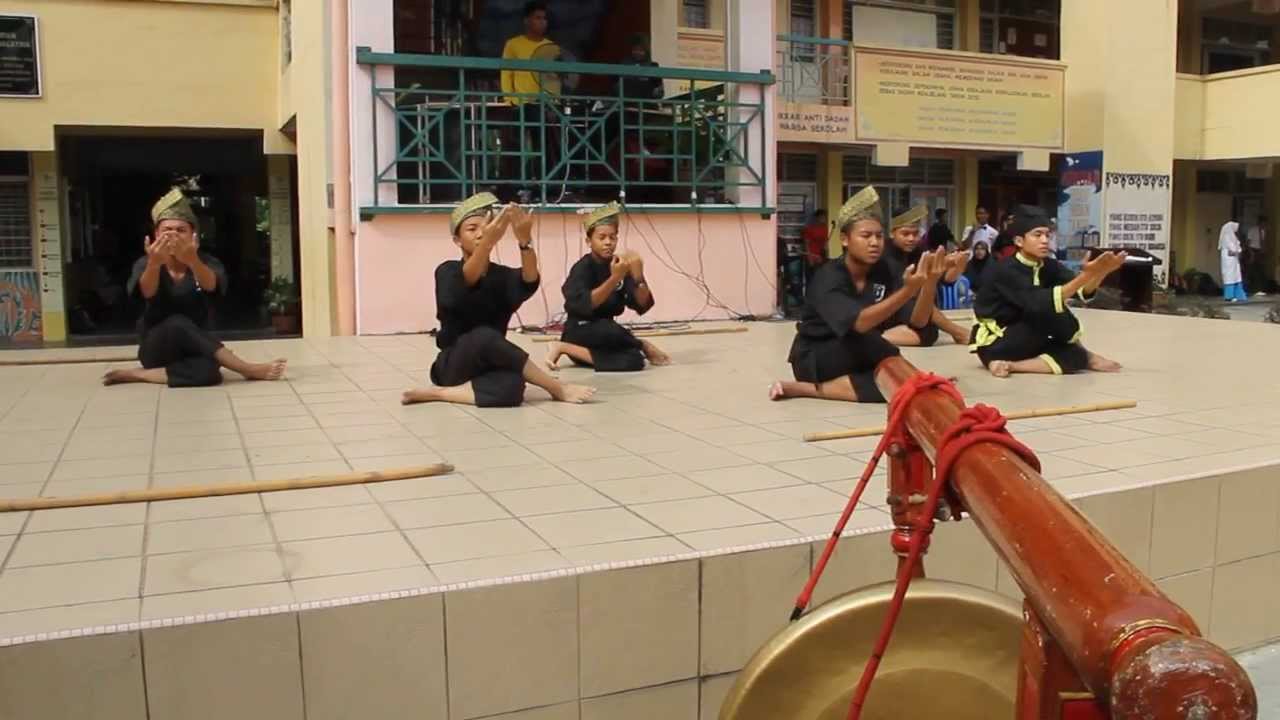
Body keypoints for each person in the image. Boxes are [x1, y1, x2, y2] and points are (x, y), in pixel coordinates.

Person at [402, 192, 595, 407]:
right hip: (454, 363)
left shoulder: (502, 276)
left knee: (513, 387)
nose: (480, 233)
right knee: (484, 336)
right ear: (457, 240)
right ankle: (556, 388)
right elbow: (465, 282)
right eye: (472, 229)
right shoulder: (447, 271)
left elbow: (529, 280)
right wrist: (488, 242)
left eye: (484, 227)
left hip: (492, 360)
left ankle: (441, 394)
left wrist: (524, 239)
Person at [768, 186, 944, 404]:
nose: (874, 243)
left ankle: (917, 381)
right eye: (866, 236)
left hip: (861, 346)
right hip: (816, 354)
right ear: (844, 239)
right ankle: (806, 388)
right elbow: (859, 323)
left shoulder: (884, 269)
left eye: (879, 236)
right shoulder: (828, 276)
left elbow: (919, 321)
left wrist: (930, 284)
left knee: (894, 376)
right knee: (890, 377)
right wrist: (907, 290)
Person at [103, 189, 287, 387]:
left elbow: (211, 286)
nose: (173, 235)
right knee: (177, 322)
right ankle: (247, 369)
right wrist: (155, 264)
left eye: (181, 230)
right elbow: (147, 292)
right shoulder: (146, 263)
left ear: (193, 236)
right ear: (156, 234)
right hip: (157, 346)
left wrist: (192, 261)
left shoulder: (207, 262)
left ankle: (140, 375)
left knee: (209, 374)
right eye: (166, 230)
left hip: (198, 346)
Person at [969, 207, 1126, 378]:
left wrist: (1100, 272)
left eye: (1047, 235)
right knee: (1048, 309)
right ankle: (1087, 356)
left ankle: (1011, 366)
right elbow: (1037, 303)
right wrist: (1086, 275)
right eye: (1037, 235)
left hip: (1028, 337)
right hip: (997, 342)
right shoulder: (1005, 270)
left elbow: (1080, 292)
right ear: (1019, 241)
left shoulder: (1049, 265)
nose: (1044, 240)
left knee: (1076, 356)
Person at [544, 202, 671, 372]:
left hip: (607, 338)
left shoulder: (620, 265)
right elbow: (584, 304)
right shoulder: (582, 267)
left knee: (635, 361)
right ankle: (641, 344)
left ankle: (562, 348)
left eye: (613, 237)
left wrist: (639, 276)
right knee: (609, 329)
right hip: (580, 331)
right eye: (602, 237)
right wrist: (614, 278)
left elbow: (641, 304)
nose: (608, 243)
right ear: (589, 241)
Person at [881, 204, 972, 346]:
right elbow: (909, 292)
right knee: (916, 297)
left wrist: (958, 265)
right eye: (905, 234)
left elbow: (947, 280)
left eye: (915, 234)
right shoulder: (884, 255)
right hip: (885, 307)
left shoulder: (919, 251)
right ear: (893, 233)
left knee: (928, 333)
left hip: (911, 311)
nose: (911, 238)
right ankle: (958, 332)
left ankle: (878, 337)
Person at [501, 1, 558, 194]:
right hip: (518, 103)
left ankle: (547, 188)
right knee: (515, 148)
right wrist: (508, 99)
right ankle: (512, 188)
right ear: (527, 21)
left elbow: (554, 78)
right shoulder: (513, 44)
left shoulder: (550, 46)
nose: (542, 22)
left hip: (542, 103)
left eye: (544, 19)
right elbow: (506, 72)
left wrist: (554, 101)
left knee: (544, 146)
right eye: (538, 18)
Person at [1219, 220, 1246, 303]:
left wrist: (1238, 250)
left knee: (1236, 276)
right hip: (1229, 261)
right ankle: (1229, 296)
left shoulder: (1233, 236)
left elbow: (1237, 247)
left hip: (1234, 261)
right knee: (1230, 277)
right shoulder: (1227, 237)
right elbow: (1232, 249)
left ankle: (1239, 295)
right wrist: (1237, 251)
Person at [1247, 216, 1268, 294]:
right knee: (1253, 269)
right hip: (1253, 250)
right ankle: (1251, 288)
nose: (1264, 225)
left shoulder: (1263, 231)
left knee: (1261, 270)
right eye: (1263, 223)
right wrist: (1251, 253)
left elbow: (1263, 241)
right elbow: (1248, 242)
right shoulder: (1252, 230)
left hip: (1260, 251)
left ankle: (1260, 289)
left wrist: (1263, 251)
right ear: (1259, 222)